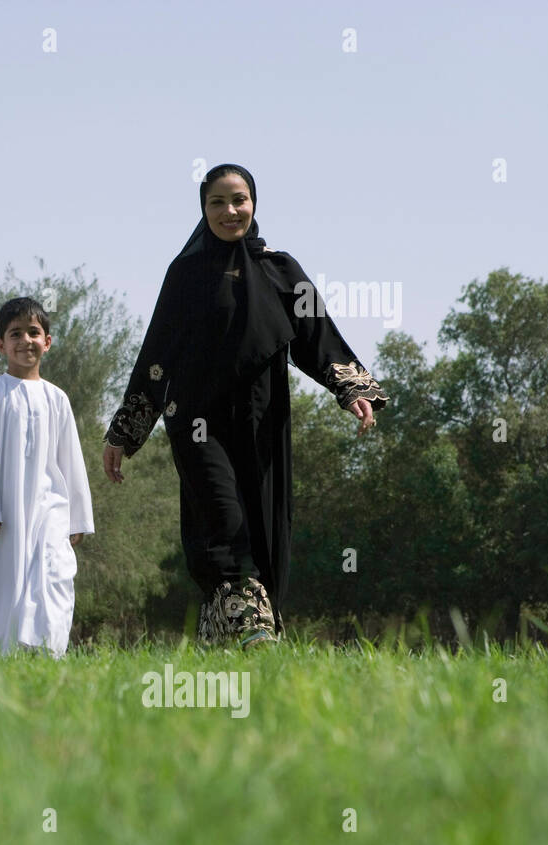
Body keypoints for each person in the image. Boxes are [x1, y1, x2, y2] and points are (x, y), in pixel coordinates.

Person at [101, 163, 387, 648]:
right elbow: (156, 357)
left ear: (254, 204)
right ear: (203, 209)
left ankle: (232, 638)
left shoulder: (280, 269)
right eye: (218, 202)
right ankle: (250, 628)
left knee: (259, 524)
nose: (230, 211)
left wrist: (351, 389)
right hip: (196, 423)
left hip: (261, 420)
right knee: (222, 516)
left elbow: (318, 339)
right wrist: (125, 432)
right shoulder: (186, 274)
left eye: (239, 200)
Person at [0, 297, 94, 658]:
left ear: (47, 341)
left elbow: (70, 460)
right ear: (0, 344)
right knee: (0, 583)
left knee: (53, 578)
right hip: (3, 514)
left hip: (50, 510)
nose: (26, 341)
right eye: (15, 333)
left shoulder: (57, 399)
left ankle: (49, 653)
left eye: (34, 332)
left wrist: (77, 518)